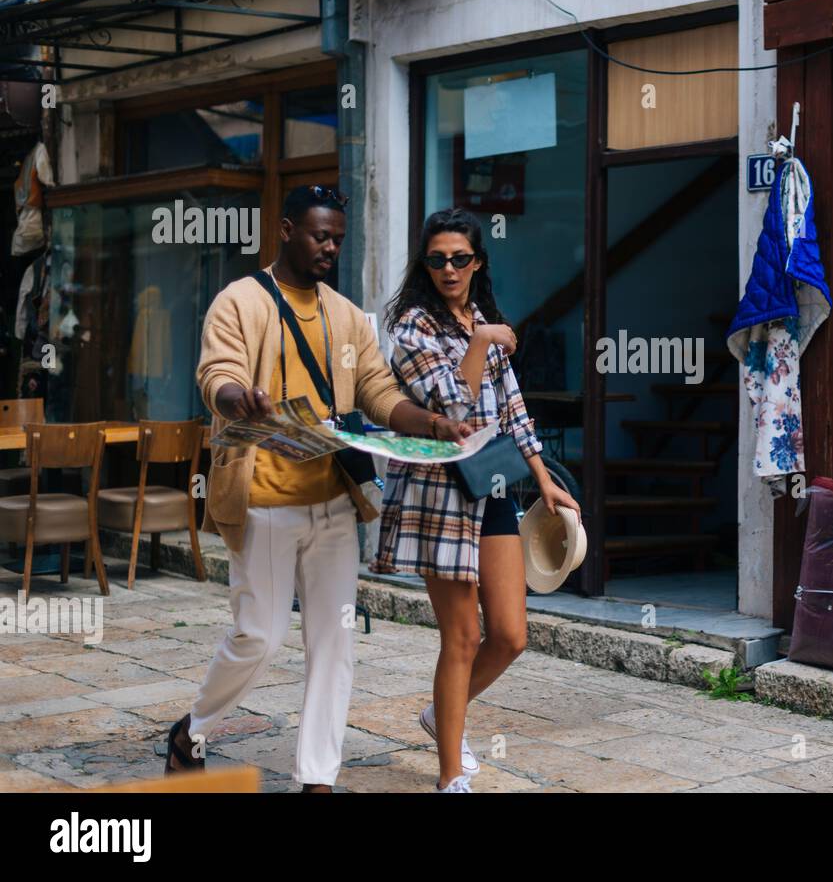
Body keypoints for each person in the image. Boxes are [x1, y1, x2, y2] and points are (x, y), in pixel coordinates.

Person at [163, 185, 471, 792]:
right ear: (285, 230)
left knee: (335, 642)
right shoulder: (240, 301)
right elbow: (216, 373)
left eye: (337, 238)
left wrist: (431, 423)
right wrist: (238, 398)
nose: (330, 247)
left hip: (333, 502)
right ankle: (192, 730)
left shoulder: (347, 316)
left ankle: (318, 779)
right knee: (259, 636)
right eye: (318, 235)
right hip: (263, 503)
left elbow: (380, 394)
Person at [376, 207, 580, 793]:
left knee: (512, 635)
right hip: (440, 497)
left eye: (459, 258)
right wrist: (482, 339)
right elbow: (452, 408)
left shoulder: (480, 317)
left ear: (477, 262)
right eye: (437, 259)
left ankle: (442, 715)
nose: (448, 268)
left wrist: (542, 477)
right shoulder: (413, 329)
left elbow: (513, 409)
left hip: (490, 489)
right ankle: (449, 778)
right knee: (462, 636)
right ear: (425, 264)